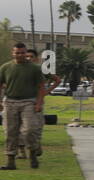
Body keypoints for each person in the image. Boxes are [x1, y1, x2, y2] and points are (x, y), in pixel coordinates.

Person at [2, 42, 57, 170]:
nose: (20, 55)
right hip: (10, 102)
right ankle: (10, 160)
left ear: (25, 53)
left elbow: (41, 87)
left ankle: (32, 152)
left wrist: (39, 102)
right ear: (13, 53)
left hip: (29, 102)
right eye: (17, 53)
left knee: (29, 130)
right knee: (11, 132)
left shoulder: (34, 68)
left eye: (22, 53)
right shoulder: (5, 67)